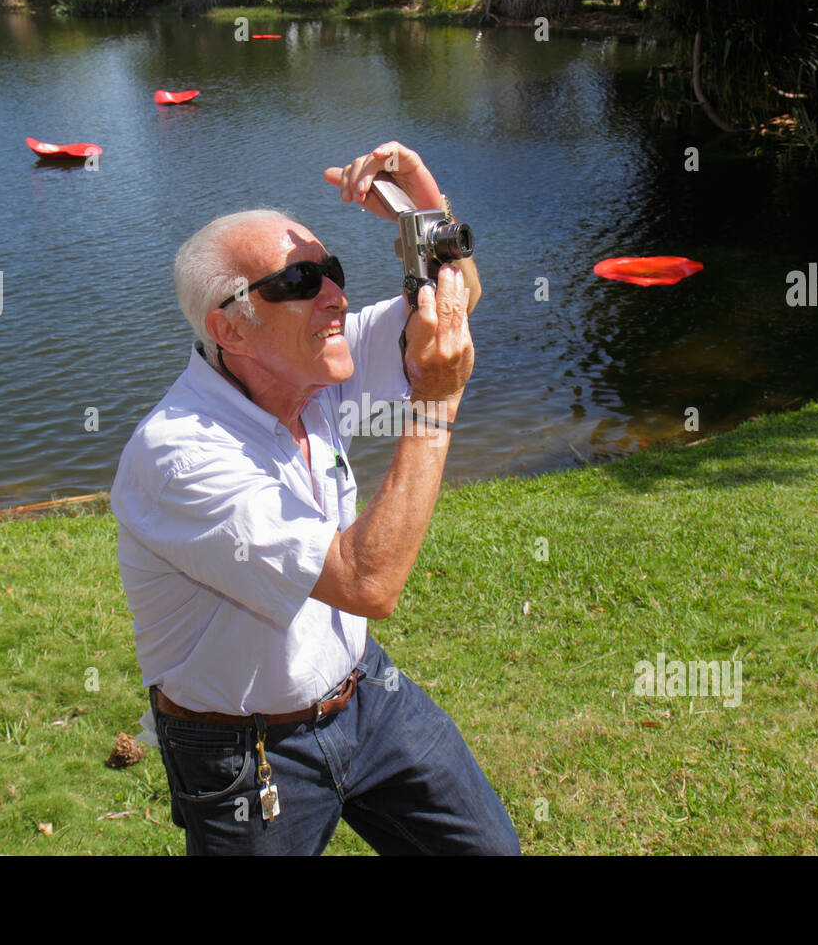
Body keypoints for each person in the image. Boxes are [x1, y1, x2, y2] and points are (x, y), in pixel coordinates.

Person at [109, 142, 520, 855]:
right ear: (228, 325)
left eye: (331, 271)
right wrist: (435, 404)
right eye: (300, 280)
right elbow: (368, 581)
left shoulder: (313, 369)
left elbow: (453, 304)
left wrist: (421, 206)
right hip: (246, 751)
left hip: (364, 695)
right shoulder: (178, 455)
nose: (335, 295)